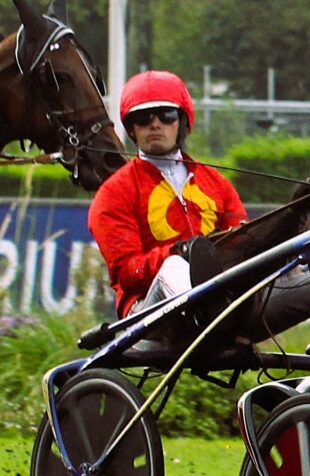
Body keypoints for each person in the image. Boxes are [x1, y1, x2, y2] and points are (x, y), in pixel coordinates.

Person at [89, 70, 247, 315]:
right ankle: (212, 324)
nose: (155, 124)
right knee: (174, 266)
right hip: (145, 312)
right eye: (143, 118)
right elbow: (127, 274)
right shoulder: (113, 194)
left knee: (306, 270)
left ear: (182, 122)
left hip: (223, 294)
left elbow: (243, 242)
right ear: (132, 128)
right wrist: (180, 253)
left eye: (166, 115)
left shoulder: (216, 183)